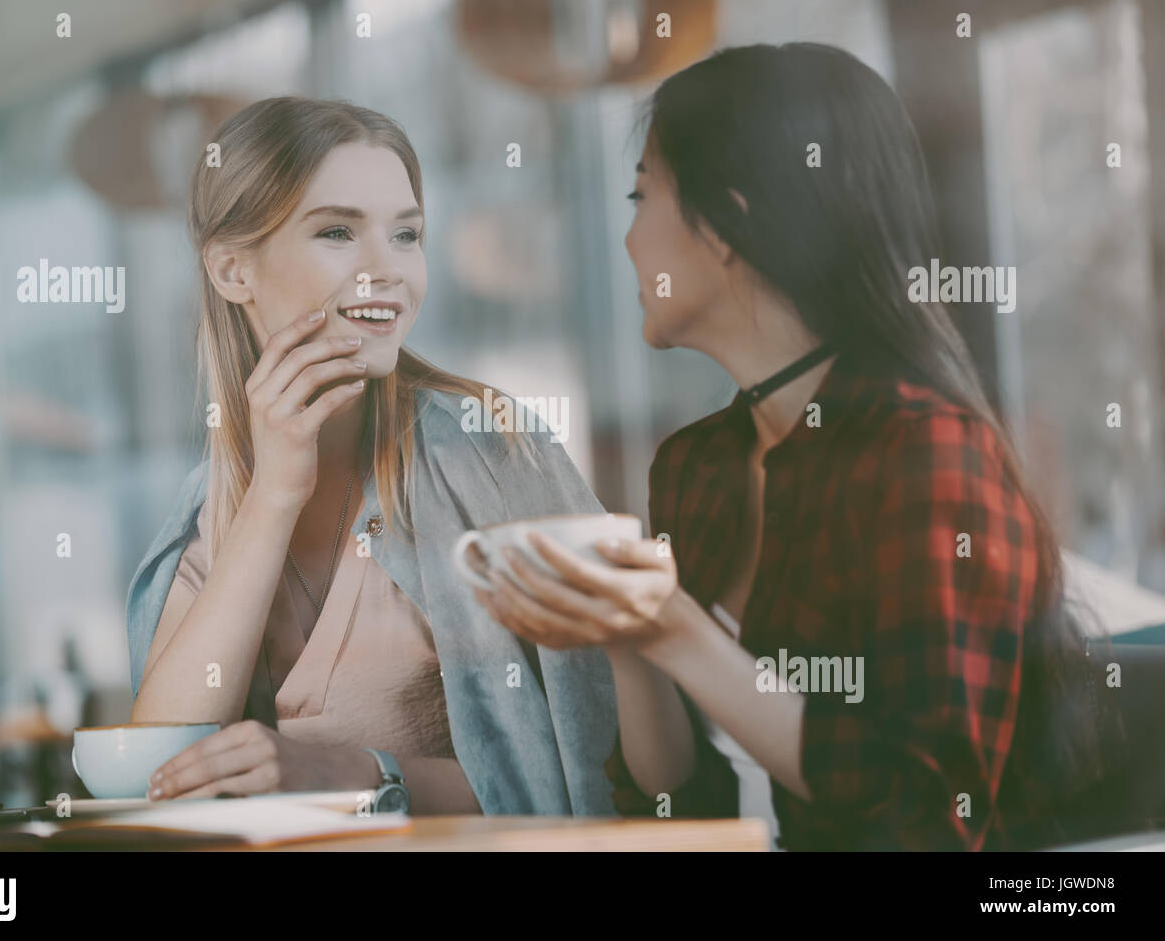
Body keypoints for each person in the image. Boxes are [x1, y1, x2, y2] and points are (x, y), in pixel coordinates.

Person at [470, 44, 1118, 848]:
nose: (629, 240)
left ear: (729, 223)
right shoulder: (696, 466)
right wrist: (625, 633)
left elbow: (928, 819)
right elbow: (683, 805)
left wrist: (674, 627)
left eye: (642, 196)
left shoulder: (925, 455)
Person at [124, 97, 617, 815]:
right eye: (336, 232)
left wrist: (356, 774)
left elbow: (608, 771)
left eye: (406, 234)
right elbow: (158, 780)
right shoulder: (210, 509)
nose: (386, 270)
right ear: (233, 271)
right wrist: (273, 497)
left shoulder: (492, 450)